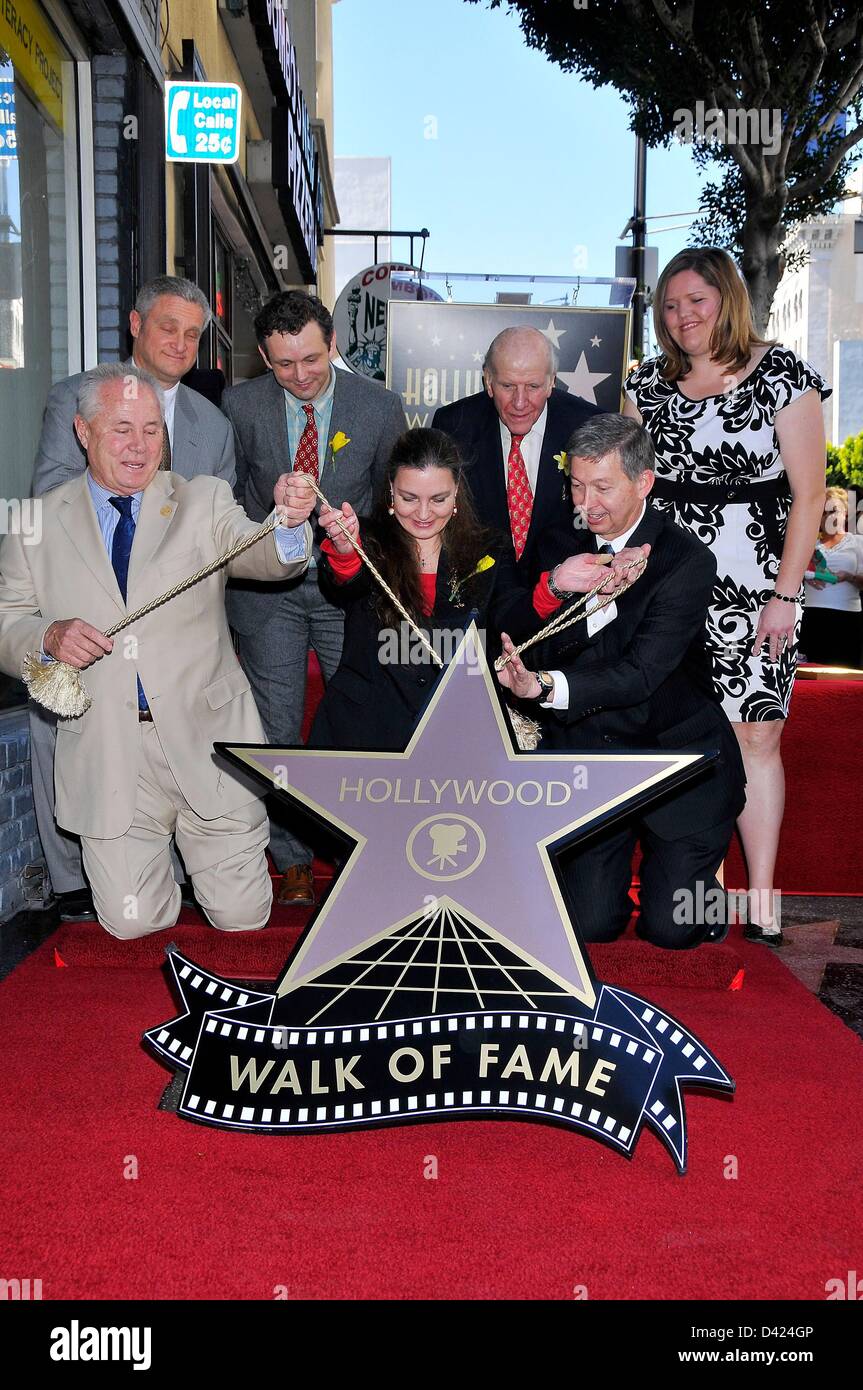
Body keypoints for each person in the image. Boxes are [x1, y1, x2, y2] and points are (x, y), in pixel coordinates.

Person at [0, 364, 316, 940]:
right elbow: (6, 619)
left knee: (243, 917)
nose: (139, 446)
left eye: (151, 429)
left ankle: (209, 871)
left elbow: (265, 556)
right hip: (109, 748)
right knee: (130, 922)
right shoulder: (35, 524)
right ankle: (155, 884)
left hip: (206, 739)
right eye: (121, 428)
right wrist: (46, 637)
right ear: (82, 431)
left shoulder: (204, 499)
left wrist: (288, 523)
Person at [624, 247, 826, 945]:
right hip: (665, 588)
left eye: (696, 302)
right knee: (681, 734)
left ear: (727, 300)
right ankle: (700, 882)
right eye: (670, 305)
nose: (682, 317)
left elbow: (808, 496)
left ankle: (763, 894)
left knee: (755, 736)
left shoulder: (782, 374)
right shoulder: (644, 385)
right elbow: (627, 494)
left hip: (757, 583)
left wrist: (785, 595)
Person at [496, 415, 747, 951]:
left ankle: (703, 891)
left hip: (677, 759)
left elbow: (640, 674)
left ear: (645, 483)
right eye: (577, 485)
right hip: (592, 753)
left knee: (674, 930)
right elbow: (520, 631)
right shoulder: (557, 543)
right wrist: (559, 589)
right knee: (590, 925)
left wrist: (544, 688)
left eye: (603, 487)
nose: (586, 503)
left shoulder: (686, 561)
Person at [30, 275, 237, 923]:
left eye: (193, 334)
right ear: (135, 325)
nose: (180, 343)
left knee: (172, 733)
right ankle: (72, 882)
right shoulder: (78, 396)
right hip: (92, 604)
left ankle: (163, 872)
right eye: (167, 327)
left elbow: (221, 531)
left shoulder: (211, 421)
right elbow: (49, 495)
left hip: (173, 618)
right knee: (70, 730)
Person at [222, 290, 406, 906]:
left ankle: (359, 850)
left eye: (310, 359)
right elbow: (224, 507)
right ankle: (292, 858)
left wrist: (360, 531)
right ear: (264, 360)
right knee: (276, 728)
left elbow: (398, 507)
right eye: (282, 364)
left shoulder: (379, 407)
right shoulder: (239, 406)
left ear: (333, 345)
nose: (299, 376)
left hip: (345, 589)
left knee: (356, 723)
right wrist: (268, 512)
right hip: (265, 591)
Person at [311, 427, 633, 751]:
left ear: (455, 494)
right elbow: (343, 586)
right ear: (391, 491)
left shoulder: (488, 548)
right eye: (409, 498)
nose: (423, 514)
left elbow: (510, 619)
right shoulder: (362, 539)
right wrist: (344, 550)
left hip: (457, 737)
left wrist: (556, 584)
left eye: (438, 499)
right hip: (363, 733)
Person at [432, 326, 603, 577]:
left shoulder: (590, 426)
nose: (520, 402)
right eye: (508, 386)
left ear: (551, 382)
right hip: (481, 591)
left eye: (533, 386)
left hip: (568, 592)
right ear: (488, 381)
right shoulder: (454, 426)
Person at [801, 487, 863, 668]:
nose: (829, 516)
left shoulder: (858, 542)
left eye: (834, 510)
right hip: (809, 617)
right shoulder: (806, 544)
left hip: (845, 620)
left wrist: (849, 577)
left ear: (845, 512)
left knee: (843, 677)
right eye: (823, 512)